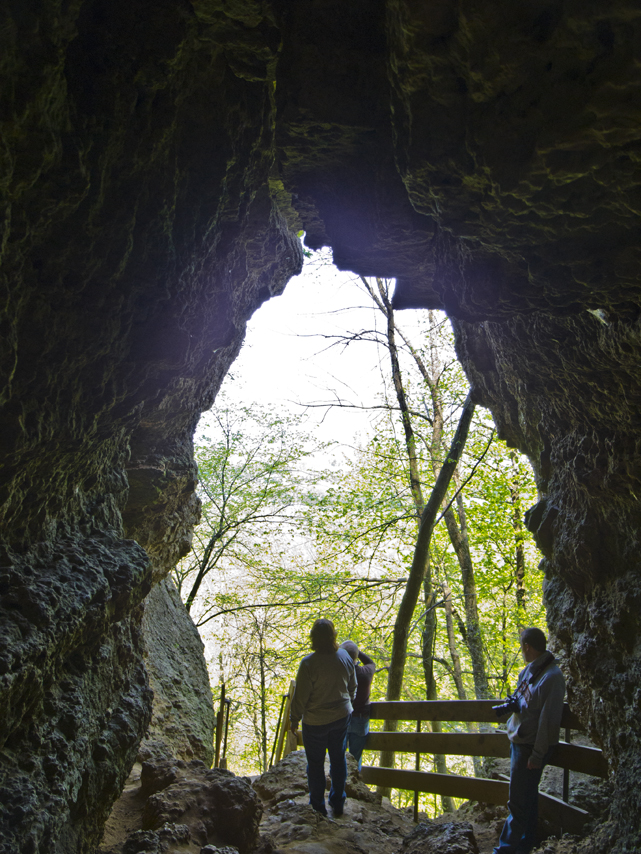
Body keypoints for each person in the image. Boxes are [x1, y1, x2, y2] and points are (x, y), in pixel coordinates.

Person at [493, 627, 566, 854]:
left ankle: (504, 851)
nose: (521, 650)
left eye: (521, 646)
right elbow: (523, 701)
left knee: (517, 802)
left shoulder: (552, 678)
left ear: (527, 647)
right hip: (520, 742)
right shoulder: (529, 671)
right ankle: (525, 846)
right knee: (528, 798)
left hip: (531, 747)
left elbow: (549, 722)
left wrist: (537, 754)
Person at [290, 619, 357, 817]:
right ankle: (337, 803)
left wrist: (295, 720)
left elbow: (300, 697)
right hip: (341, 717)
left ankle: (317, 807)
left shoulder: (309, 663)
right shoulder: (344, 656)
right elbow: (352, 686)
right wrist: (347, 702)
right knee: (338, 760)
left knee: (316, 764)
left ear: (313, 638)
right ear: (333, 635)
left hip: (315, 722)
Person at [339, 640, 376, 770]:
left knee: (338, 755)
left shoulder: (339, 674)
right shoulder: (365, 673)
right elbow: (371, 663)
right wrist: (357, 652)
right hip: (360, 719)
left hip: (341, 719)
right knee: (355, 757)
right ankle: (353, 784)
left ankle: (337, 784)